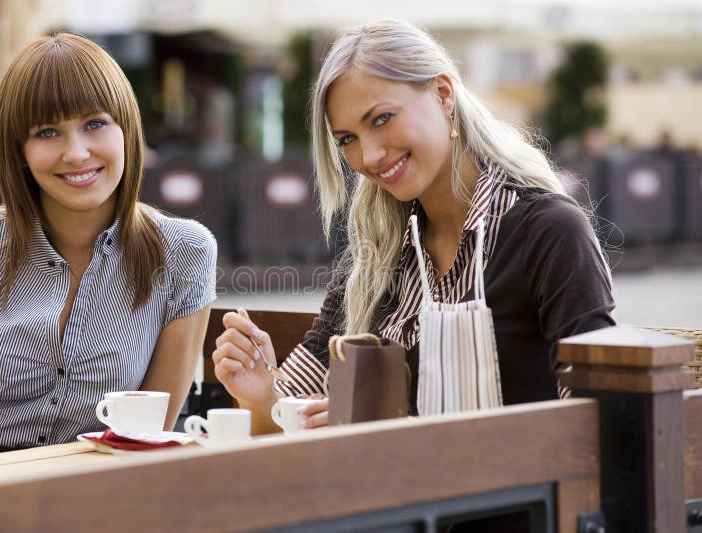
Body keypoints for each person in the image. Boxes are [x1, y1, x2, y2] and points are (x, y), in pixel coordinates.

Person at [213, 20, 615, 434]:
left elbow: (597, 422)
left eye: (382, 119)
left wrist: (385, 427)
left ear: (443, 94)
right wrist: (260, 395)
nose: (368, 156)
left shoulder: (549, 232)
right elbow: (289, 421)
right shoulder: (374, 253)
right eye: (347, 138)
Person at [0, 33, 217, 453]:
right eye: (48, 132)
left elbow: (148, 435)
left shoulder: (184, 253)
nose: (76, 153)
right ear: (20, 152)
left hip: (105, 490)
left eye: (95, 124)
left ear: (127, 130)